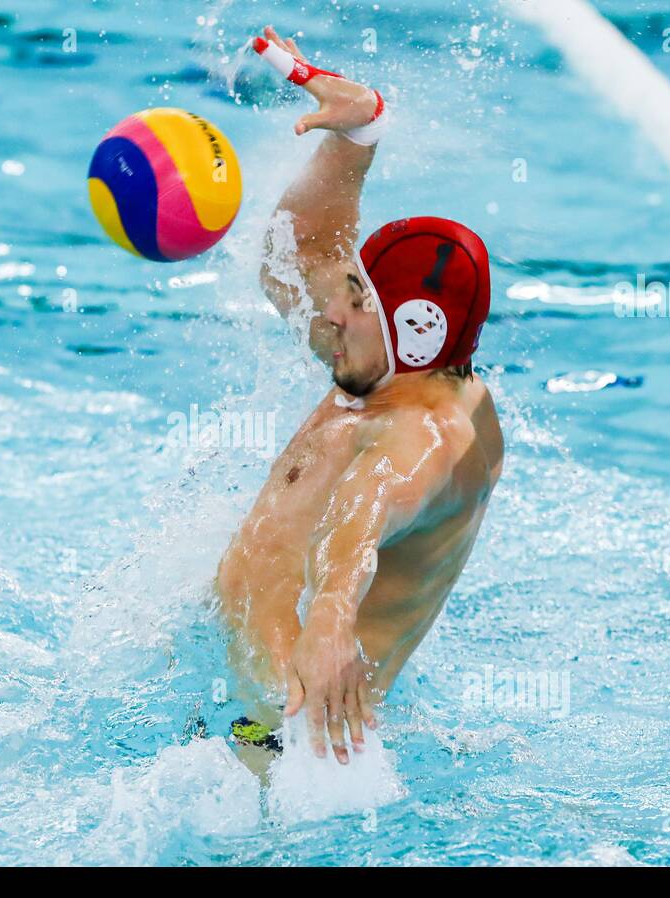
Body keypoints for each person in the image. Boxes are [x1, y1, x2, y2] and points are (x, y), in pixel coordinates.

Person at [215, 26, 504, 774]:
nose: (327, 314)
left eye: (354, 301)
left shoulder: (430, 432)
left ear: (415, 331)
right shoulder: (394, 366)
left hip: (291, 740)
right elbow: (297, 251)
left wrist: (331, 618)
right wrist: (359, 137)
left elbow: (369, 504)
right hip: (243, 704)